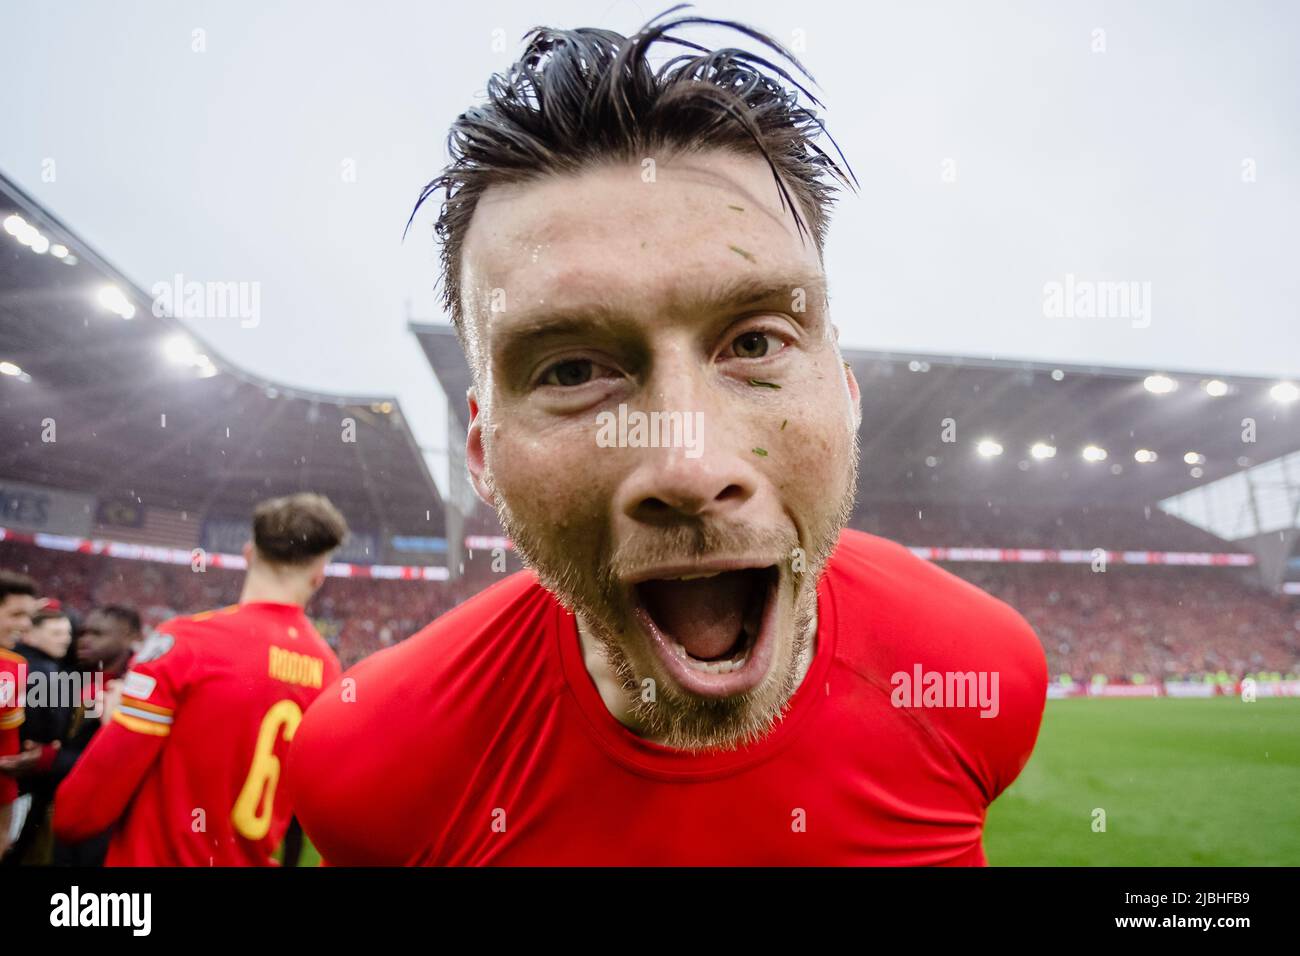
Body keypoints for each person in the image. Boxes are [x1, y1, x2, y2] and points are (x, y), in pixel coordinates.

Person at [287, 8, 1048, 866]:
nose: (690, 468)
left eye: (755, 343)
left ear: (843, 390)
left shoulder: (978, 676)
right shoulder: (367, 766)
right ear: (483, 456)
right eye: (572, 372)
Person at [53, 493, 347, 865]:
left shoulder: (186, 641)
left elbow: (77, 814)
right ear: (319, 576)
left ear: (248, 554)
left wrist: (118, 720)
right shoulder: (327, 668)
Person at [50, 605, 143, 866]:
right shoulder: (78, 679)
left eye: (98, 633)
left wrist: (51, 759)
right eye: (83, 633)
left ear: (131, 636)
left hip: (102, 820)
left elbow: (122, 761)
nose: (85, 640)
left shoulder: (136, 689)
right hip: (66, 809)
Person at [0, 607, 76, 864]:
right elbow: (54, 730)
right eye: (56, 633)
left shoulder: (14, 663)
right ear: (29, 635)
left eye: (67, 633)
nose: (65, 639)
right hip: (23, 778)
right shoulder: (49, 675)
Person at [0, 571, 39, 859]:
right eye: (16, 614)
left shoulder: (14, 668)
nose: (25, 625)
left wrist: (3, 828)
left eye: (29, 616)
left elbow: (6, 750)